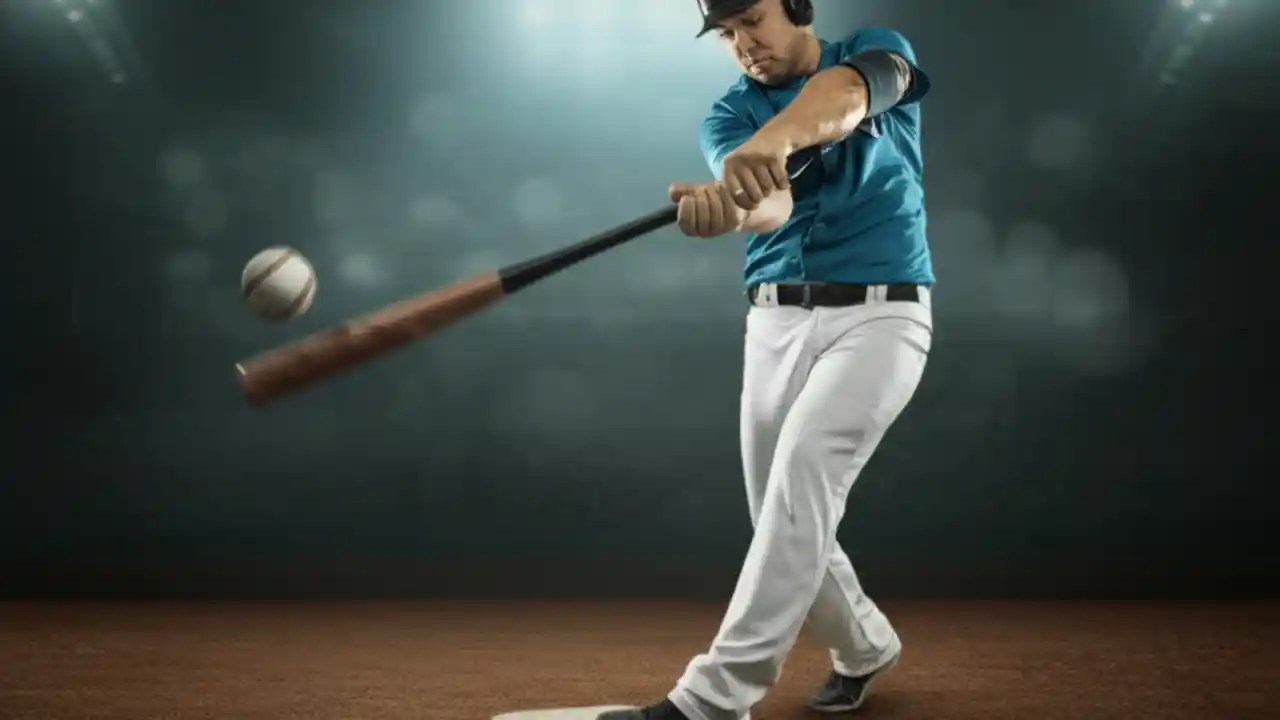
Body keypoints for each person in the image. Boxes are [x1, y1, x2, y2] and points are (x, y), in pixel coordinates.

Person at [599, 0, 936, 718]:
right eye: (724, 33)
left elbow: (844, 101)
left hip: (883, 315)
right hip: (777, 319)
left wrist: (773, 143)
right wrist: (730, 210)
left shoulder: (876, 50)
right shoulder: (725, 117)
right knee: (783, 510)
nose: (742, 43)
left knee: (802, 475)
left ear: (798, 6)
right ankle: (866, 646)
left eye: (752, 19)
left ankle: (713, 700)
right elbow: (769, 206)